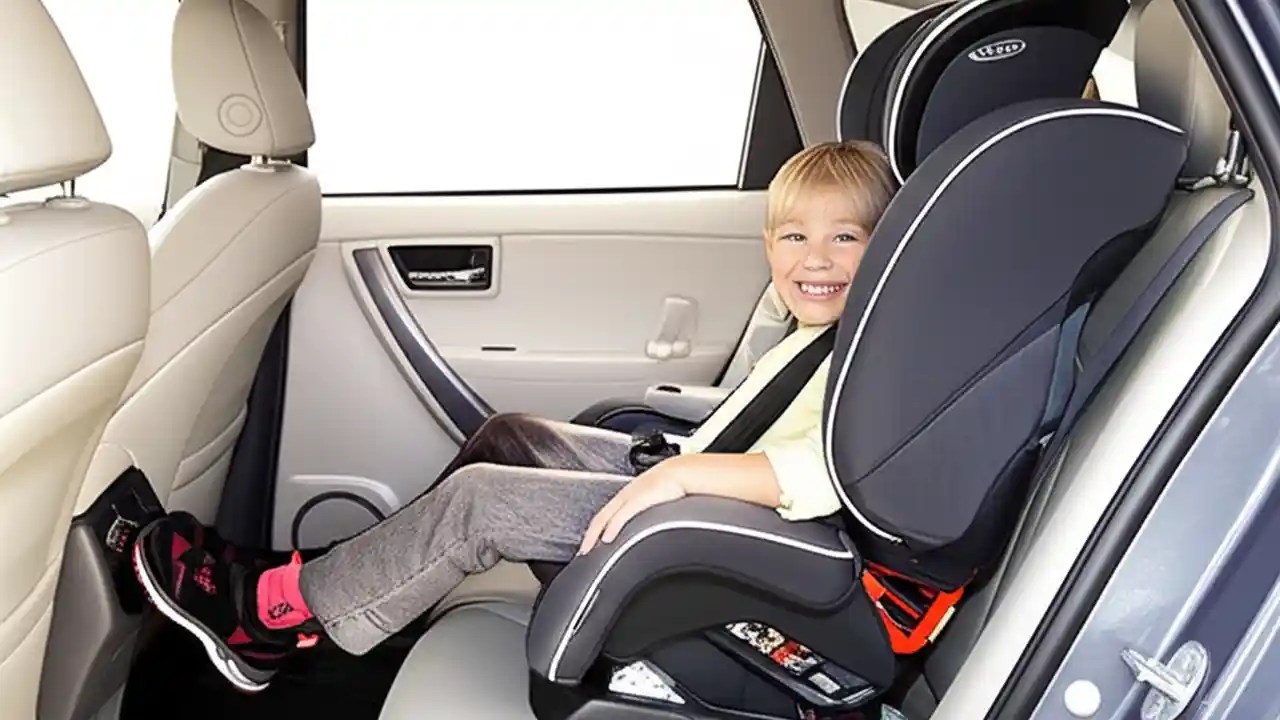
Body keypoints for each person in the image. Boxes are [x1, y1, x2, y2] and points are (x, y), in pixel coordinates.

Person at [130, 140, 898, 693]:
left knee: (481, 503)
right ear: (769, 246)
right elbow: (753, 422)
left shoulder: (875, 358)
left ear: (886, 248)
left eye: (845, 238)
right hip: (695, 479)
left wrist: (686, 473)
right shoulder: (821, 334)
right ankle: (333, 584)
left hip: (725, 528)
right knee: (510, 435)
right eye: (796, 237)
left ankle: (267, 622)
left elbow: (827, 470)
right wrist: (683, 459)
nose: (817, 260)